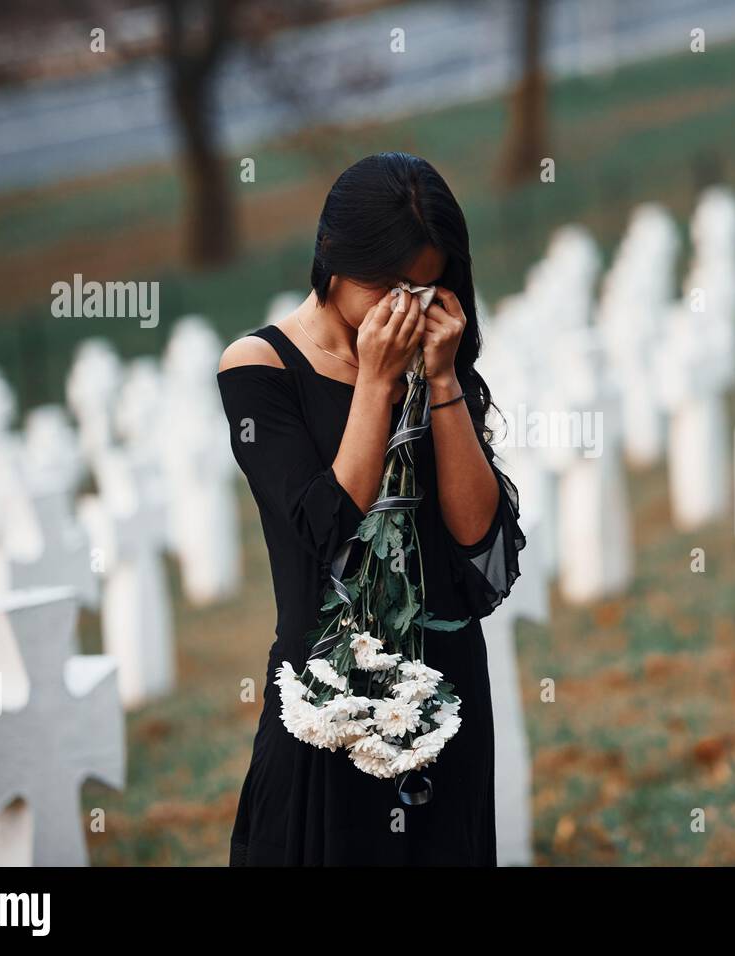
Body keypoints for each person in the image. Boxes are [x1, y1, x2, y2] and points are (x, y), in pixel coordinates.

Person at [217, 152, 525, 865]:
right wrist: (377, 381)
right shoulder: (257, 370)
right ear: (332, 258)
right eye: (386, 286)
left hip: (444, 697)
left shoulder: (432, 354)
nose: (405, 308)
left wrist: (442, 377)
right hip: (328, 697)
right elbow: (331, 530)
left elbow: (482, 547)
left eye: (425, 287)